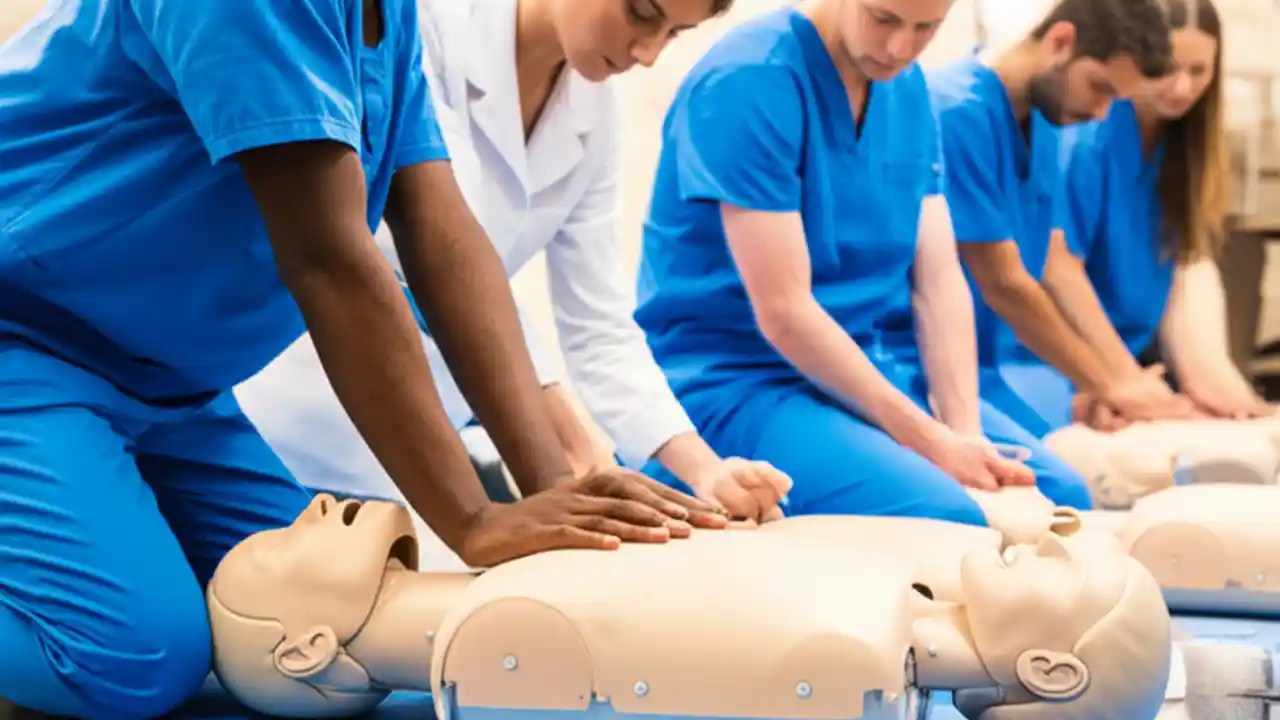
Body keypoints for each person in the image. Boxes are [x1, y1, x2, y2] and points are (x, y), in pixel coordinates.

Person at [0, 0, 725, 715]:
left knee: (321, 626)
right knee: (130, 658)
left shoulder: (388, 14)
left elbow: (438, 230)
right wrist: (473, 519)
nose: (648, 49)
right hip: (28, 340)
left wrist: (549, 493)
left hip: (171, 385)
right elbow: (329, 258)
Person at [236, 0, 793, 539]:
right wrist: (574, 452)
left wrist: (704, 471)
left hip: (410, 464)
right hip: (292, 415)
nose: (647, 53)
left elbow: (597, 326)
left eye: (672, 33)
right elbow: (434, 265)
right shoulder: (433, 31)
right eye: (641, 13)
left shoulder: (595, 114)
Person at [632, 0, 1095, 528]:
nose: (900, 47)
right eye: (884, 19)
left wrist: (964, 433)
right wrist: (931, 442)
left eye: (927, 28)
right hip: (739, 382)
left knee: (1064, 496)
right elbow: (784, 311)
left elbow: (937, 283)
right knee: (949, 517)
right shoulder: (750, 80)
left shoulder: (908, 89)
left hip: (867, 369)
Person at [928, 0, 1178, 438]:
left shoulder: (1044, 124)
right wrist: (1113, 383)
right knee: (1059, 488)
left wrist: (1104, 384)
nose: (1101, 112)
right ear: (1060, 42)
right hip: (921, 363)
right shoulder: (958, 111)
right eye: (1099, 88)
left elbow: (1040, 265)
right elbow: (1003, 282)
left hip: (981, 368)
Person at [1051, 0, 1275, 430]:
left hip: (1138, 360)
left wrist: (1220, 386)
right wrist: (1119, 380)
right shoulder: (1089, 133)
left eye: (1198, 71)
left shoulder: (1185, 149)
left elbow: (1185, 264)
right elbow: (1060, 270)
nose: (1181, 88)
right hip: (1065, 362)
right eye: (1168, 69)